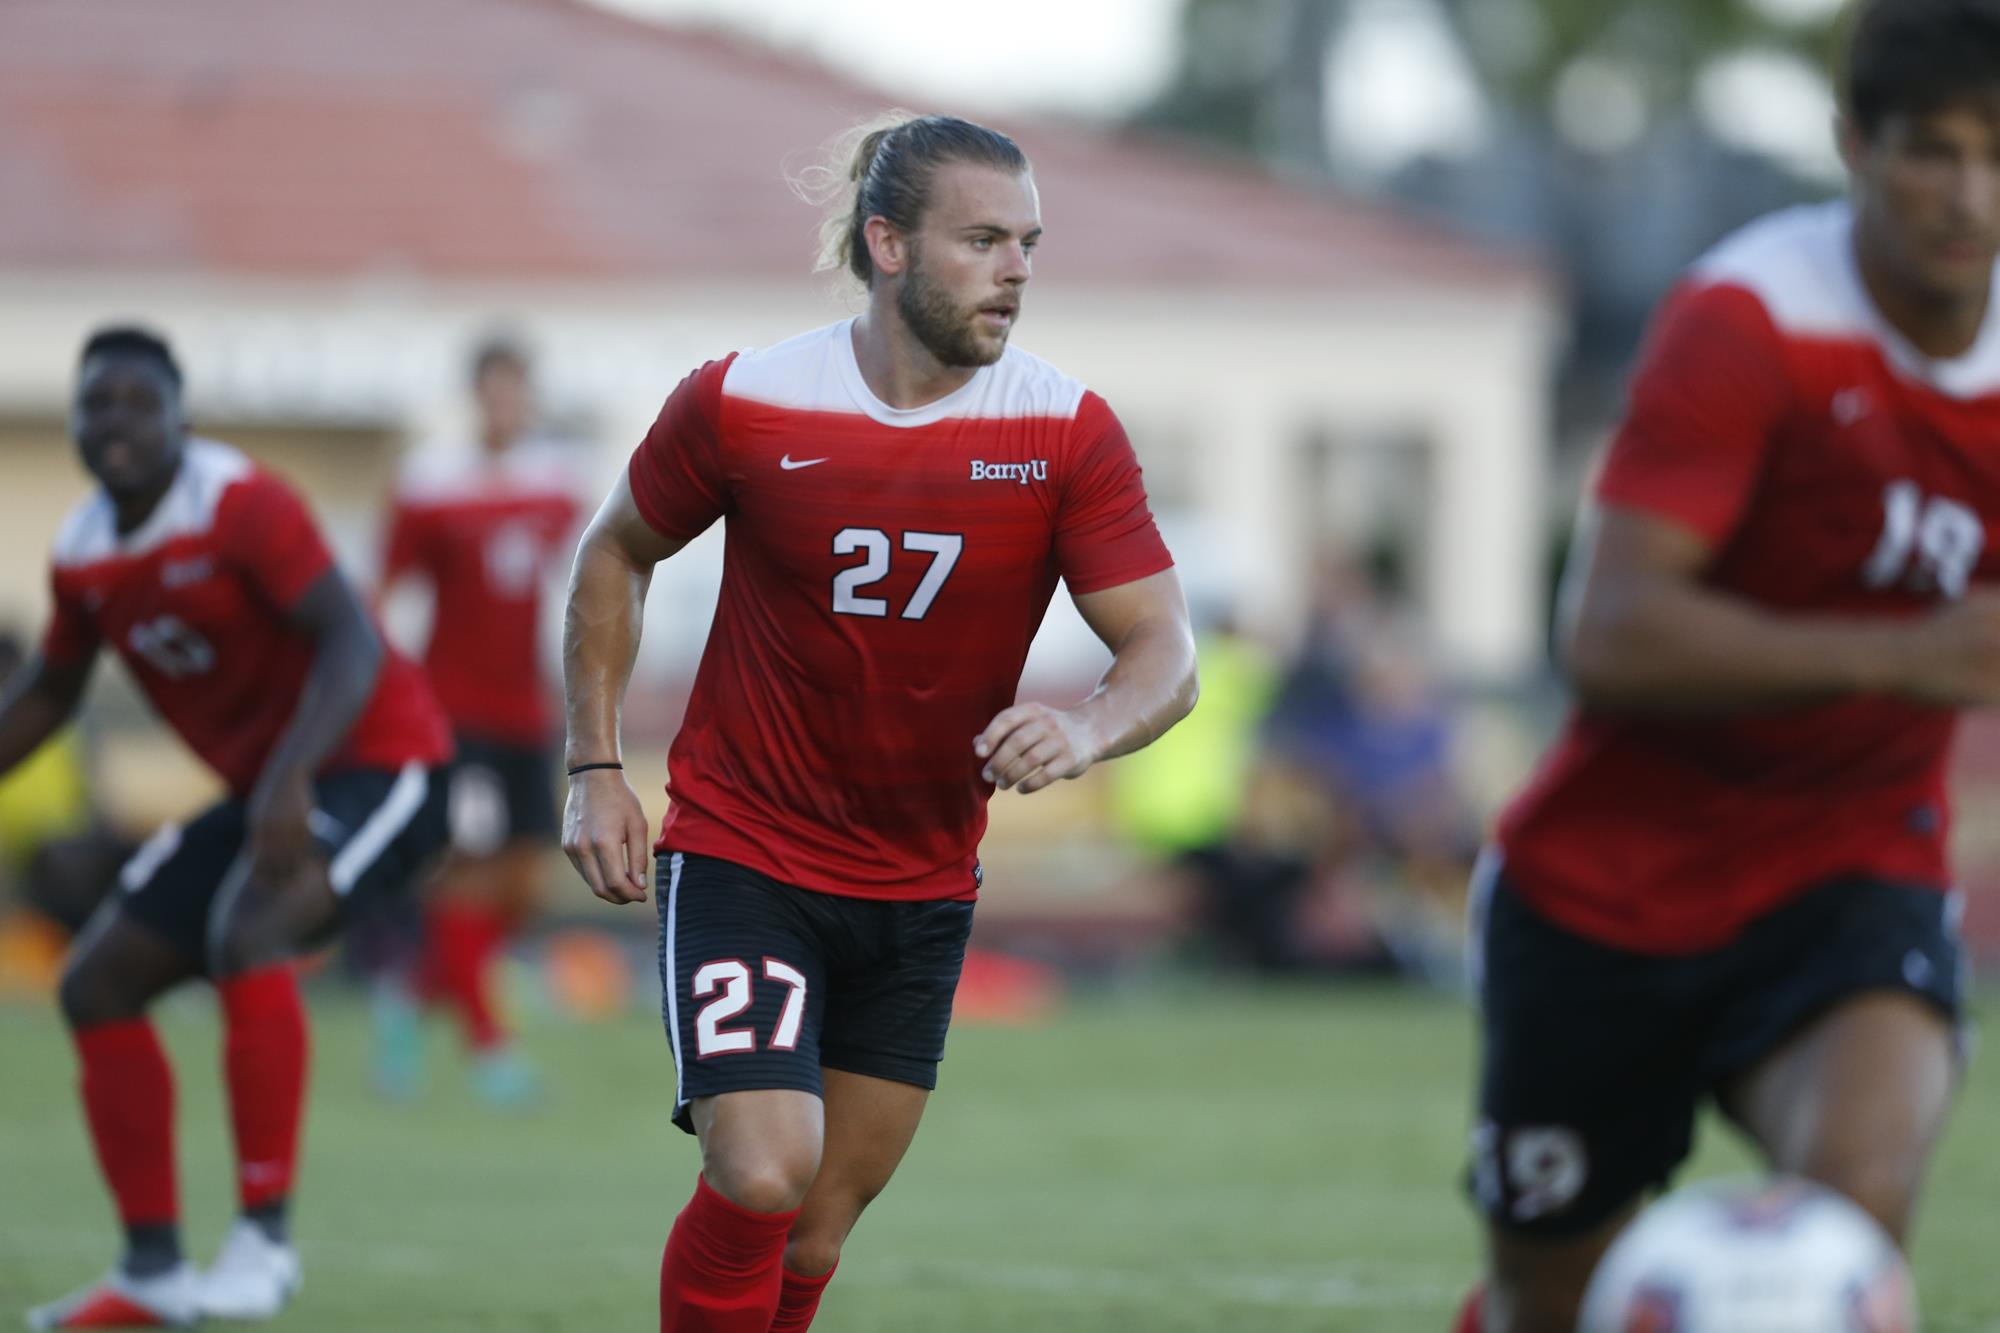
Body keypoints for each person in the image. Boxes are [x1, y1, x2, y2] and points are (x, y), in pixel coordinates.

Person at [561, 113, 1198, 1331]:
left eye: (1028, 243)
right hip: (745, 850)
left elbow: (1163, 650)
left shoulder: (1063, 430)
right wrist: (595, 765)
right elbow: (614, 555)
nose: (1015, 269)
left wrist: (1087, 727)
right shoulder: (743, 401)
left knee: (815, 1229)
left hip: (917, 882)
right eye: (982, 240)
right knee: (759, 1168)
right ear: (888, 244)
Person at [1455, 3, 2000, 1329]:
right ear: (1852, 144)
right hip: (1605, 891)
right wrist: (1909, 654)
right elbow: (1614, 634)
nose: (1972, 198)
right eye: (1933, 151)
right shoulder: (1749, 320)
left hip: (1854, 865)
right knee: (1547, 1305)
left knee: (1846, 1227)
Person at [5, 327, 453, 1329]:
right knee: (96, 980)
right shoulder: (83, 551)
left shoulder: (238, 503)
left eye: (135, 402)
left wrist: (293, 772)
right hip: (272, 784)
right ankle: (153, 1272)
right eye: (94, 404)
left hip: (383, 761)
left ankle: (263, 1237)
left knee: (251, 927)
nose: (112, 422)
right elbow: (50, 691)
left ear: (180, 419)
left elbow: (348, 640)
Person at [374, 335, 581, 1104]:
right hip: (453, 714)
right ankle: (491, 1050)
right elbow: (386, 589)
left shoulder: (557, 483)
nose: (506, 405)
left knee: (524, 880)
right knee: (466, 871)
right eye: (493, 390)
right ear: (475, 396)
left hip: (529, 712)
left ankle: (410, 993)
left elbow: (586, 583)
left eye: (516, 391)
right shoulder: (430, 486)